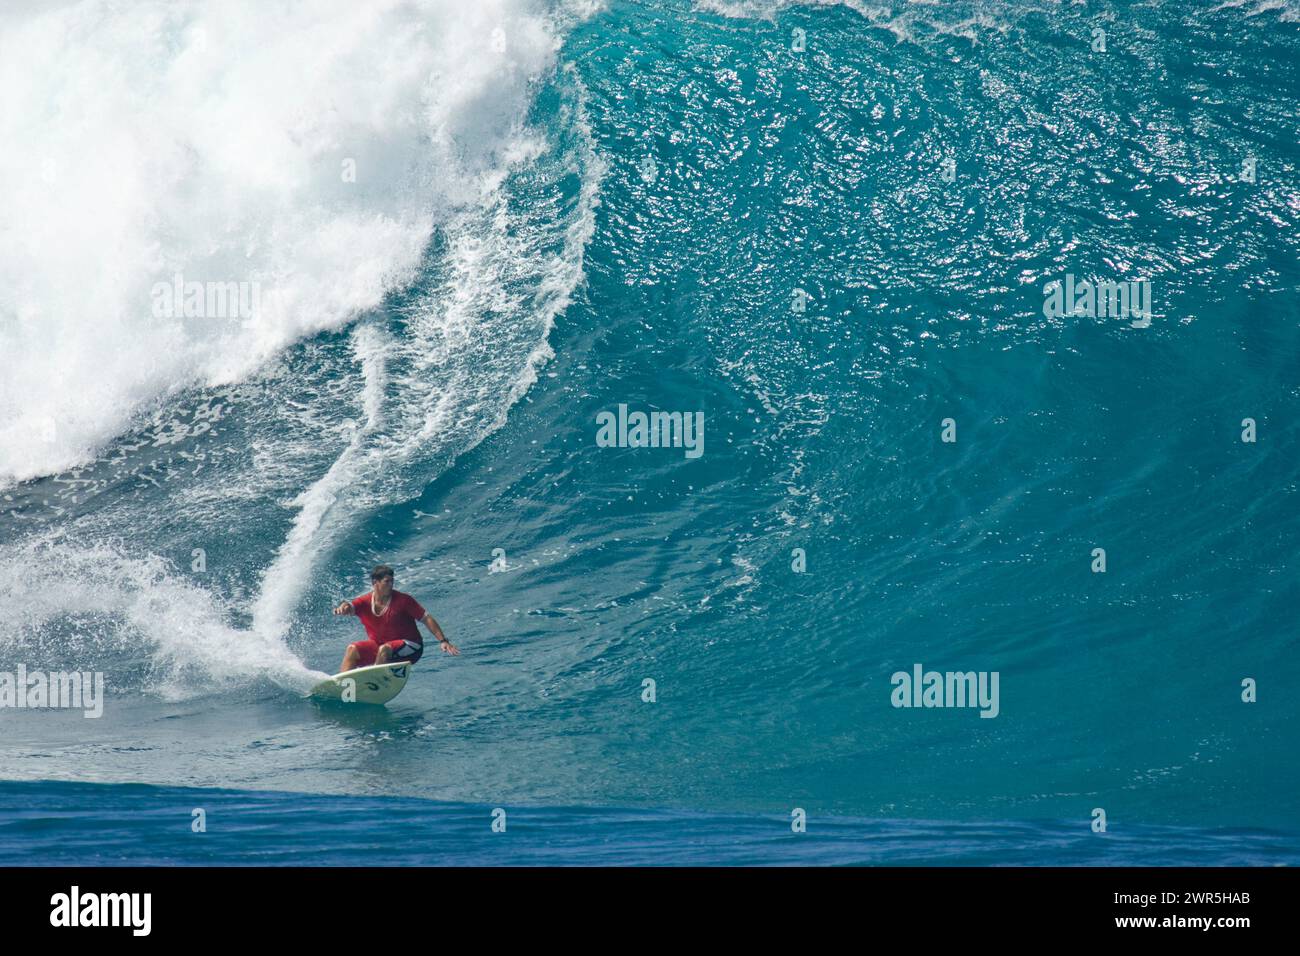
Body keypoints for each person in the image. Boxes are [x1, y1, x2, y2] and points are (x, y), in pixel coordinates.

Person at [333, 565, 459, 672]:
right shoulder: (365, 602)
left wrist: (443, 641)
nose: (391, 585)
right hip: (381, 645)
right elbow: (349, 606)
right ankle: (342, 685)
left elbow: (426, 618)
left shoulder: (404, 600)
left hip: (411, 646)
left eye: (392, 581)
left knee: (384, 649)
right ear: (375, 583)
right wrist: (343, 607)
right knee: (352, 649)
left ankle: (376, 682)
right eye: (386, 581)